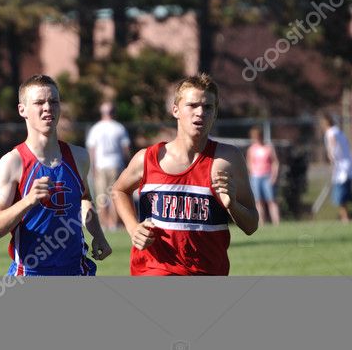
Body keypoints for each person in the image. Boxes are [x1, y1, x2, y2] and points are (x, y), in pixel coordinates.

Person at [110, 73, 258, 276]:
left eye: (208, 108)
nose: (200, 113)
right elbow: (119, 190)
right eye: (192, 105)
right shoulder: (148, 158)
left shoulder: (228, 159)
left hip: (208, 271)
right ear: (175, 110)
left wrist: (232, 205)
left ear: (215, 114)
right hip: (154, 268)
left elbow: (251, 225)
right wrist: (133, 227)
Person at [0, 74, 111, 276]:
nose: (47, 107)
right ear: (22, 110)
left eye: (53, 101)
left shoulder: (79, 157)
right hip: (30, 273)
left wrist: (98, 234)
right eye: (39, 102)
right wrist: (28, 200)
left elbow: (85, 197)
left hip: (77, 271)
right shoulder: (13, 162)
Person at [85, 101, 131, 231]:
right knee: (115, 196)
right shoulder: (119, 127)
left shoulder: (96, 128)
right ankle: (113, 224)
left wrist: (92, 168)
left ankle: (104, 224)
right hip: (117, 165)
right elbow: (126, 149)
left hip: (100, 166)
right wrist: (128, 166)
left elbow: (92, 151)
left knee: (101, 197)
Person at [321, 114, 352, 223]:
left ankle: (351, 215)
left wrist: (331, 157)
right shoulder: (339, 131)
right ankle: (350, 216)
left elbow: (332, 143)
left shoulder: (331, 132)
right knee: (347, 192)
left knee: (341, 194)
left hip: (341, 168)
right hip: (348, 166)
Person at [246, 125, 280, 226]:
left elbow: (275, 162)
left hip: (267, 176)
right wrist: (251, 174)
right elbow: (249, 162)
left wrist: (274, 176)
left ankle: (276, 222)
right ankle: (261, 223)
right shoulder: (251, 149)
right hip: (256, 177)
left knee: (271, 200)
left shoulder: (269, 147)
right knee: (258, 201)